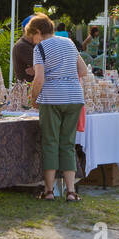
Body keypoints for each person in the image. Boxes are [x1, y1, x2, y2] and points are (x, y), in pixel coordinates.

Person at [28, 14, 87, 201]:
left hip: (52, 98)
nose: (32, 40)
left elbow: (39, 79)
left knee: (50, 143)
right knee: (68, 144)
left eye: (32, 36)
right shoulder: (69, 42)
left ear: (38, 32)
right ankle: (71, 191)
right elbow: (83, 70)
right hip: (75, 97)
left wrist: (33, 98)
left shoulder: (40, 48)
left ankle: (49, 191)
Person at [10, 16, 41, 83]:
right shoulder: (22, 46)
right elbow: (46, 66)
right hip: (26, 90)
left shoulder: (32, 44)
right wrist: (38, 69)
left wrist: (36, 69)